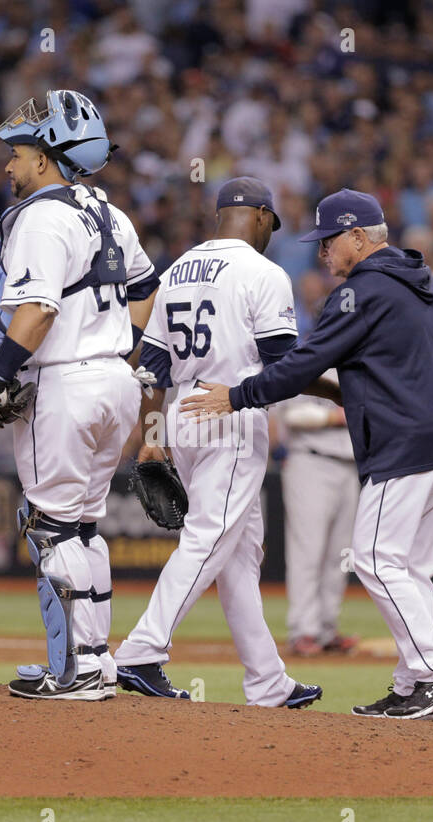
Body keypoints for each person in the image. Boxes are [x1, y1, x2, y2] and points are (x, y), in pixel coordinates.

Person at [182, 188, 433, 720]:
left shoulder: (359, 293)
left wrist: (237, 395)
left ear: (359, 237)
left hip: (406, 441)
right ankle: (414, 683)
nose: (322, 252)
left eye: (330, 241)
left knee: (373, 558)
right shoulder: (422, 279)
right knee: (409, 567)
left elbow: (302, 365)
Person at [113, 177, 321, 708]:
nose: (271, 232)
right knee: (209, 539)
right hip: (230, 413)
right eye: (270, 223)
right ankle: (141, 650)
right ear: (257, 217)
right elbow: (284, 364)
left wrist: (153, 437)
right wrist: (339, 391)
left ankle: (268, 680)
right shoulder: (264, 273)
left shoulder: (177, 269)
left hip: (181, 414)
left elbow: (151, 368)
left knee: (240, 553)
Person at [0, 90, 159, 702]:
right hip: (113, 380)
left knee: (51, 529)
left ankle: (76, 670)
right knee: (83, 527)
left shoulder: (43, 214)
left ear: (47, 156)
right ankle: (97, 660)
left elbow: (37, 309)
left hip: (63, 380)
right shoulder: (110, 212)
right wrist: (117, 344)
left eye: (19, 151)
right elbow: (146, 290)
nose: (10, 163)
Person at [278, 372, 361, 657]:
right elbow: (292, 415)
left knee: (340, 555)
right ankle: (303, 630)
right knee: (308, 551)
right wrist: (336, 418)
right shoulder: (309, 358)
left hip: (350, 465)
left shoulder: (356, 363)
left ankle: (326, 628)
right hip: (310, 461)